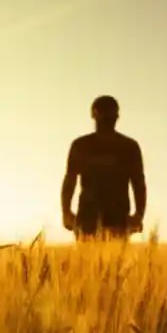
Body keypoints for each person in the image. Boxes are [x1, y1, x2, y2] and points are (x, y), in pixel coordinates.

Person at [60, 95, 147, 240]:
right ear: (117, 116)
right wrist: (139, 215)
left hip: (96, 219)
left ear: (93, 115)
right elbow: (139, 183)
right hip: (105, 219)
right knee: (110, 262)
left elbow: (70, 180)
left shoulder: (81, 145)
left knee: (90, 262)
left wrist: (66, 212)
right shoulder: (128, 146)